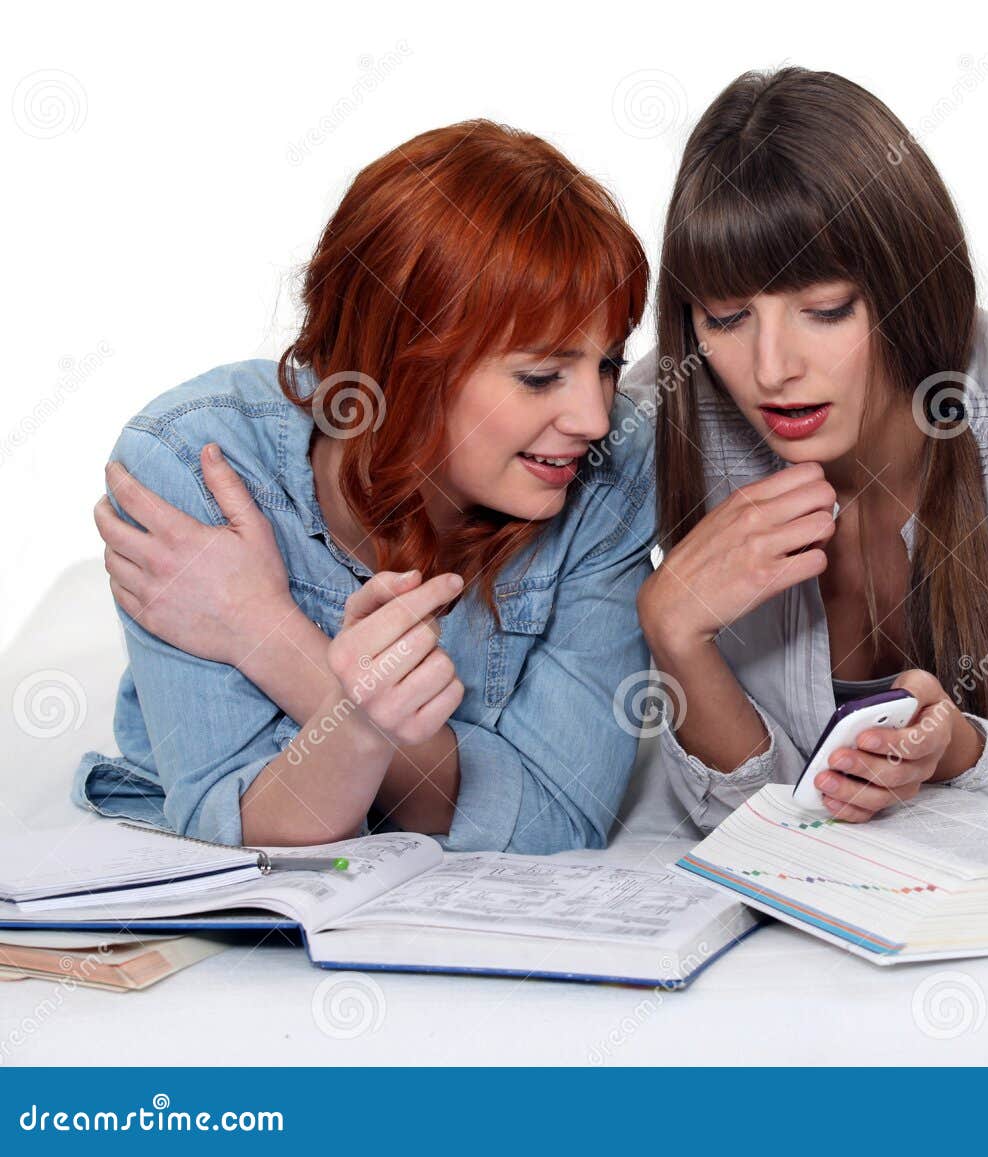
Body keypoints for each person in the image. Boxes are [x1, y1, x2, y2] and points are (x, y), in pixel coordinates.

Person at [79, 120, 656, 852]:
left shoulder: (612, 473)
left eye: (608, 363)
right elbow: (234, 823)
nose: (594, 416)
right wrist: (361, 719)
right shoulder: (189, 463)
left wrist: (266, 632)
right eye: (541, 375)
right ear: (401, 364)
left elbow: (555, 818)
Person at [630, 68, 988, 829]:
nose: (770, 369)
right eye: (726, 319)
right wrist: (673, 630)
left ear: (911, 285)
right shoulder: (660, 412)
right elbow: (765, 825)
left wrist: (955, 749)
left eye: (825, 310)